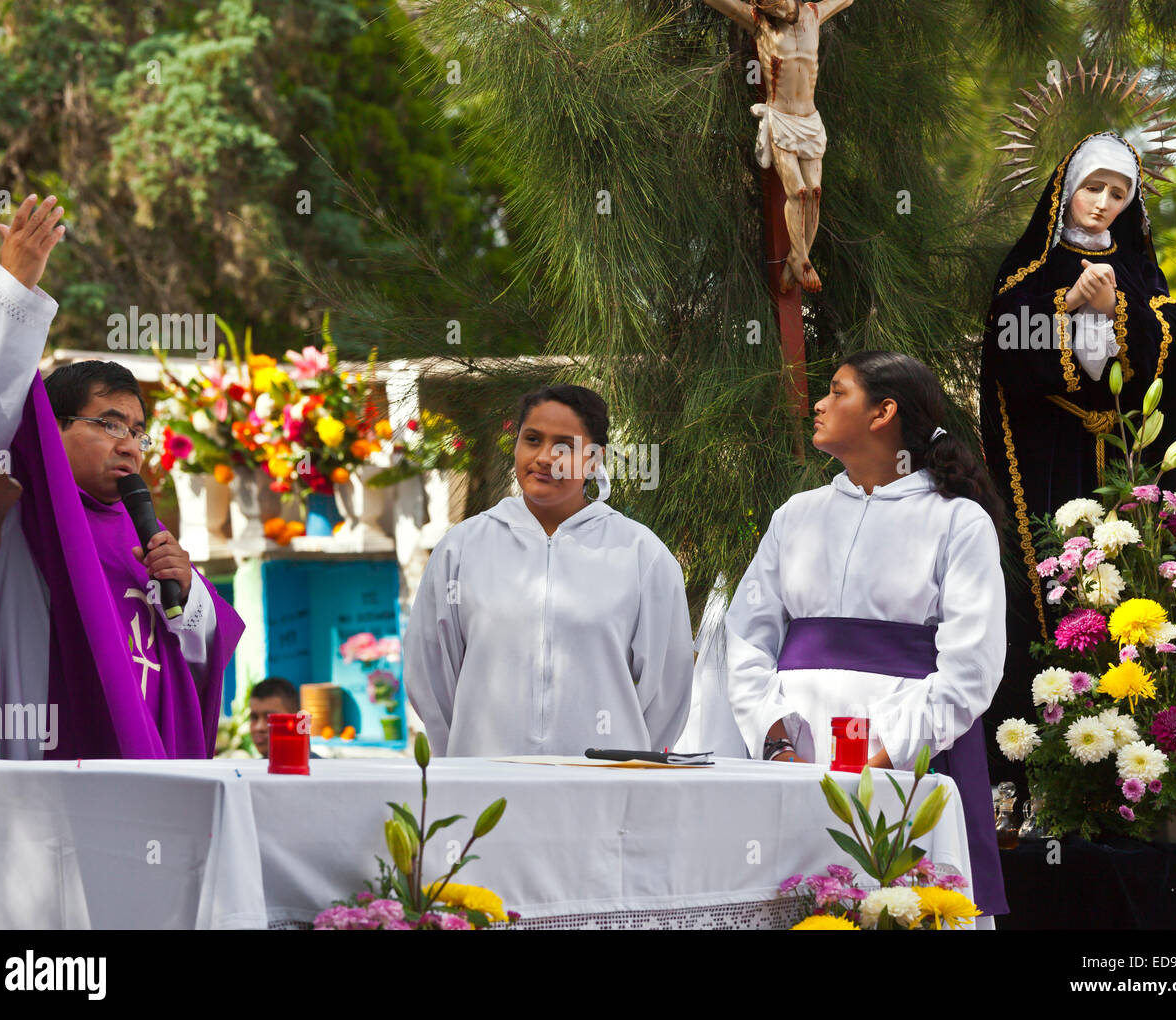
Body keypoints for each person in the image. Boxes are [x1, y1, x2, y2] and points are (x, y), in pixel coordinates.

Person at [722, 350, 1009, 920]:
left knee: (898, 906)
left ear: (883, 413)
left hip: (909, 757)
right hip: (793, 758)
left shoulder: (957, 520)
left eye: (837, 391)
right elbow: (746, 637)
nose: (819, 404)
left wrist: (888, 755)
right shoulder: (796, 515)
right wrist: (775, 738)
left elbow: (972, 668)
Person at [0, 194, 244, 759]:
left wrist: (187, 593)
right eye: (109, 424)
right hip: (44, 748)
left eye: (138, 432)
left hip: (143, 760)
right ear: (49, 430)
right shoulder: (22, 508)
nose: (129, 446)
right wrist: (14, 290)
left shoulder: (146, 531)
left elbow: (204, 655)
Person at [978, 131, 1176, 787]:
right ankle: (1050, 760)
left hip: (1125, 460)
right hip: (1051, 459)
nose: (1102, 202)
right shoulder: (1029, 276)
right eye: (1093, 187)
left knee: (1130, 591)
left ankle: (1135, 756)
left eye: (1117, 192)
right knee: (1053, 591)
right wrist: (1068, 307)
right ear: (1067, 190)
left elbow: (1167, 348)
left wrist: (1117, 310)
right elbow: (1009, 356)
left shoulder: (1138, 273)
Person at [405, 384, 693, 757]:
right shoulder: (461, 550)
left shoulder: (640, 555)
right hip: (485, 790)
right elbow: (431, 674)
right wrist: (464, 759)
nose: (544, 457)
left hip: (601, 789)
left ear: (594, 459)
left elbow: (667, 687)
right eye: (532, 439)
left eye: (564, 446)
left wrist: (628, 763)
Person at [701, 0, 856, 293]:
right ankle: (801, 263)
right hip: (781, 118)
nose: (777, 9)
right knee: (797, 192)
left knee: (815, 193)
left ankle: (797, 259)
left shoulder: (813, 14)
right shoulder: (759, 22)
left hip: (810, 119)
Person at [248, 676, 300, 758]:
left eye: (271, 718)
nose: (259, 727)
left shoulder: (320, 769)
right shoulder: (251, 769)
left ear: (297, 720)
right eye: (254, 717)